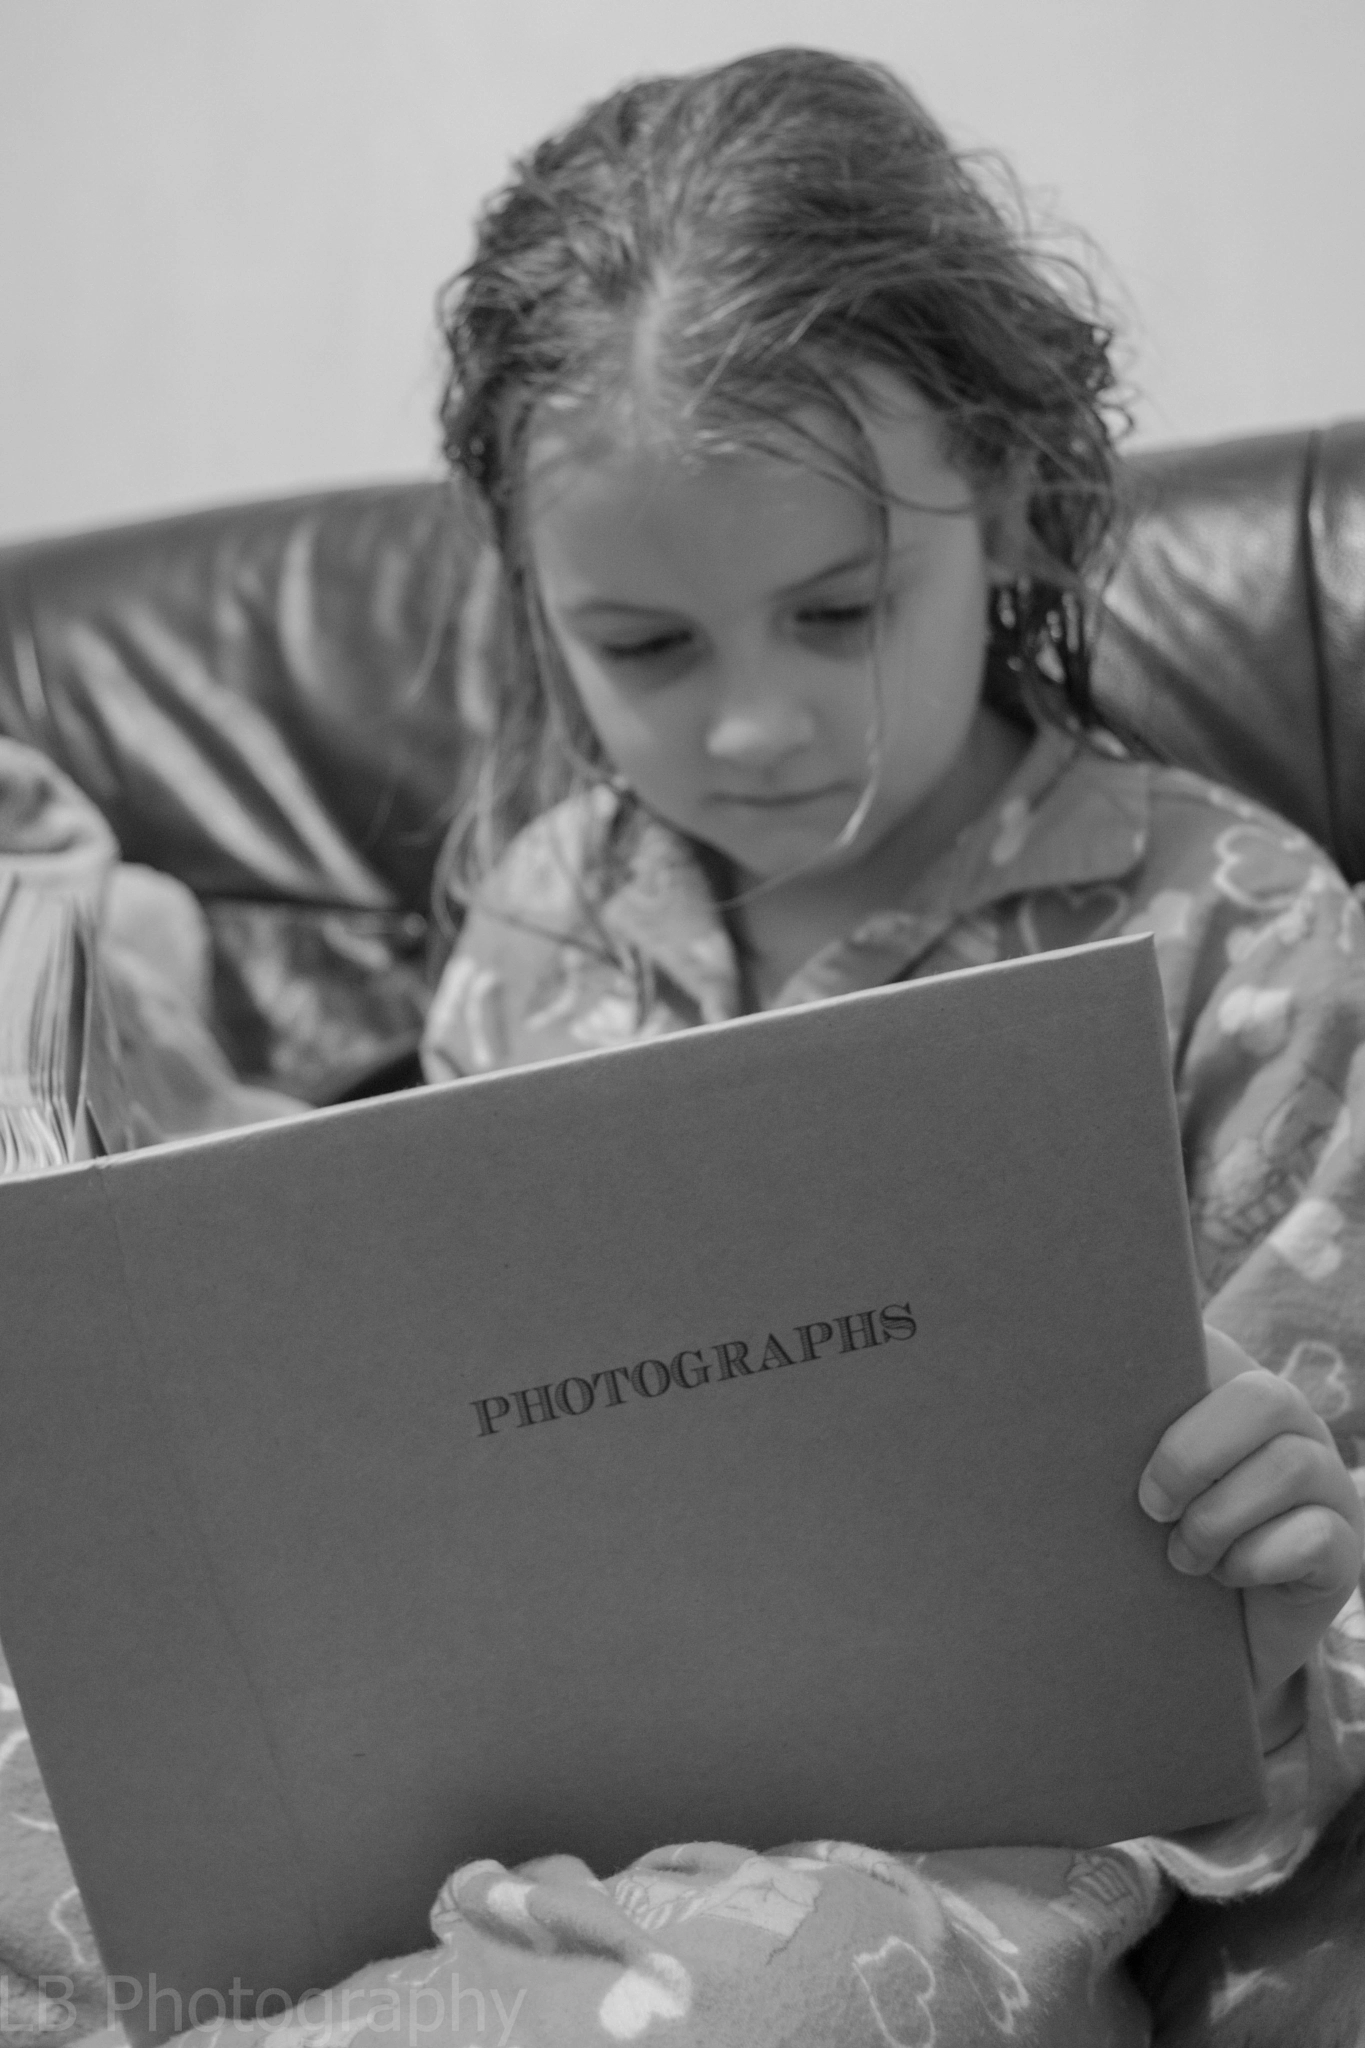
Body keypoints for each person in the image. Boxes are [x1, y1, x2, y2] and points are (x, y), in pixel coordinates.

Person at [3, 45, 1363, 2048]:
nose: (748, 728)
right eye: (641, 648)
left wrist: (1275, 1583)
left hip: (925, 1874)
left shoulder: (1241, 934)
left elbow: (1307, 1631)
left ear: (997, 492)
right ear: (532, 599)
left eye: (835, 610)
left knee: (747, 1992)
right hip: (520, 1812)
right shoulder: (546, 911)